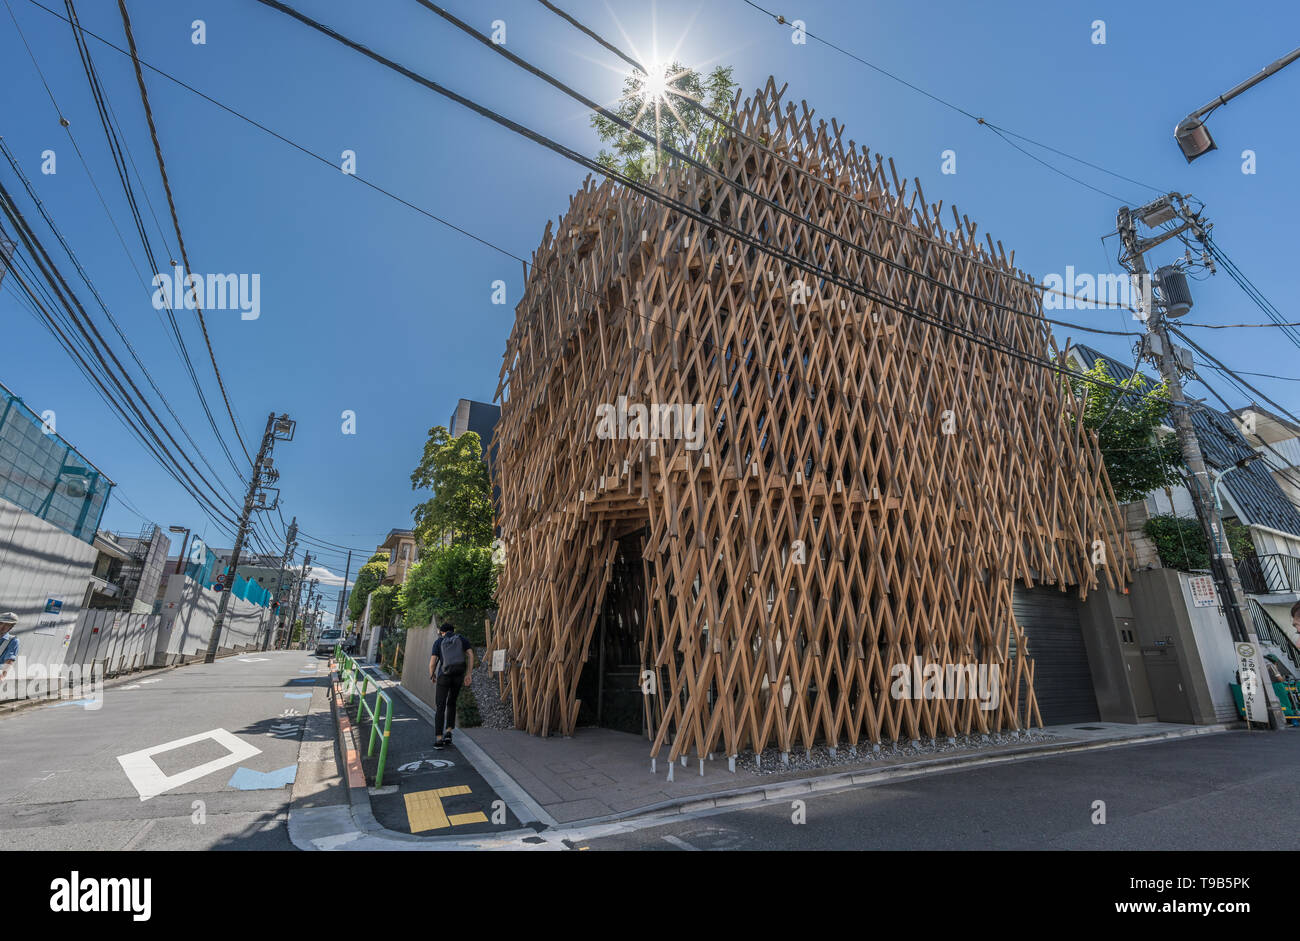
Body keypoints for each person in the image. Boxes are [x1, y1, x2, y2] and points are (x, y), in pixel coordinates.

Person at [429, 620, 473, 749]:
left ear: (442, 632)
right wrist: (468, 674)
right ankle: (448, 732)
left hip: (444, 676)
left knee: (440, 706)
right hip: (458, 676)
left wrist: (432, 674)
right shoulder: (461, 639)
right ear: (453, 631)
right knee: (451, 703)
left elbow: (432, 662)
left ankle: (438, 739)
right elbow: (470, 654)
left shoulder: (439, 641)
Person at [0, 612, 19, 686]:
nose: (2, 627)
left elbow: (9, 660)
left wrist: (2, 676)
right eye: (1, 623)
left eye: (7, 625)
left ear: (11, 626)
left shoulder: (12, 641)